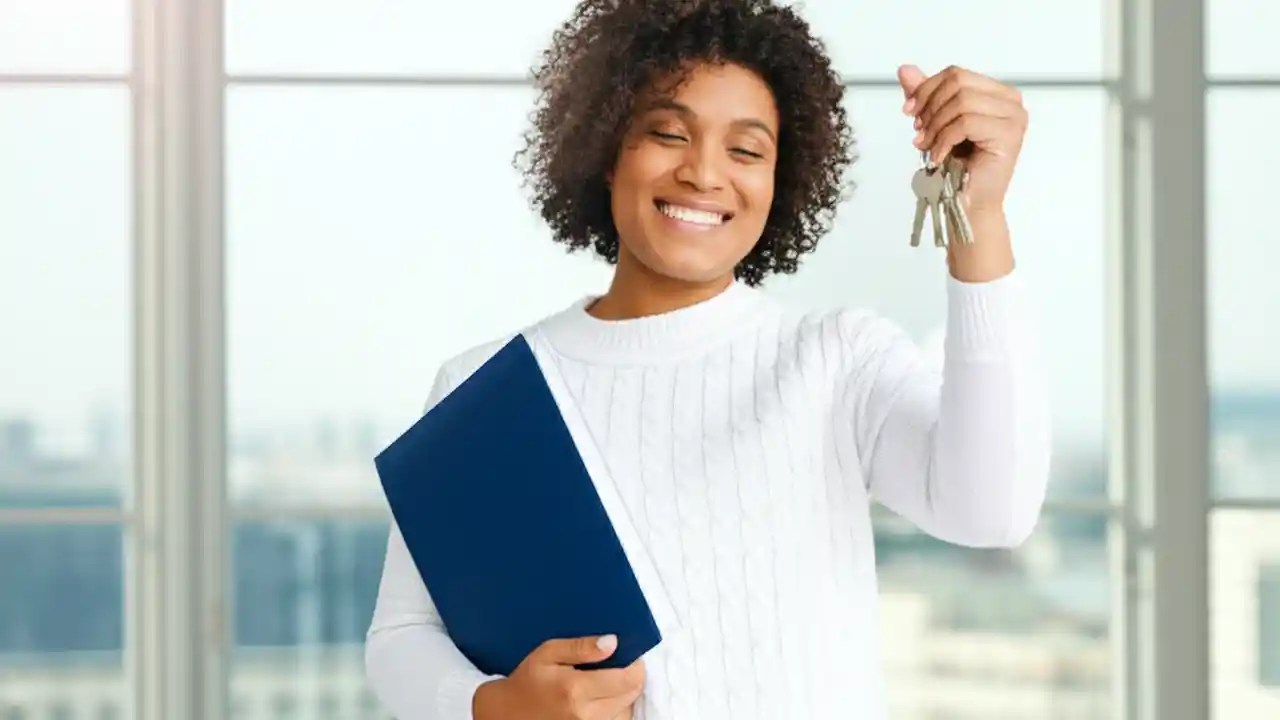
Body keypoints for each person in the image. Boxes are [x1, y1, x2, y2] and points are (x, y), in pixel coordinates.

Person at [364, 0, 1049, 718]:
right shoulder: (483, 386)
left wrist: (982, 218)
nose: (703, 173)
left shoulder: (835, 361)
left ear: (781, 180)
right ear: (605, 148)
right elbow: (403, 634)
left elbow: (992, 509)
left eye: (746, 150)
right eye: (666, 133)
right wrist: (493, 706)